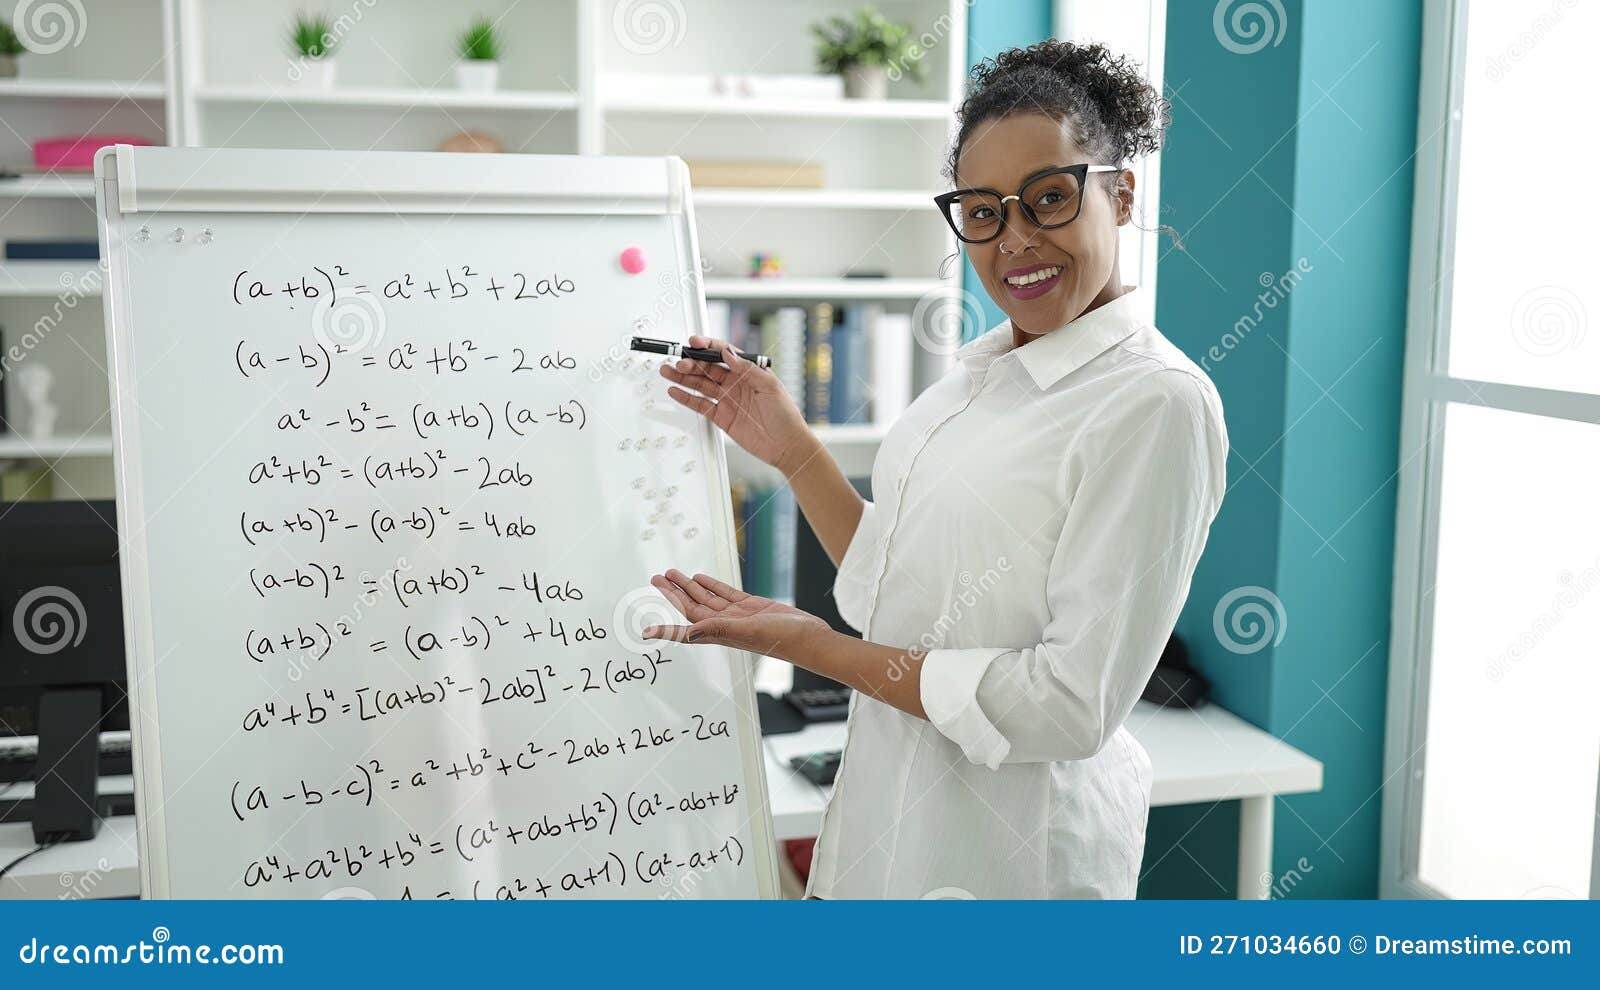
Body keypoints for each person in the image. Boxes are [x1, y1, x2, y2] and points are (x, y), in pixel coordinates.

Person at [642, 40, 1228, 899]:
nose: (1015, 239)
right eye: (984, 211)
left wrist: (819, 650)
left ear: (1122, 192)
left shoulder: (1155, 405)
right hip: (890, 819)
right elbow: (900, 585)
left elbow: (1069, 705)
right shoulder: (976, 376)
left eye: (1050, 198)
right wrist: (796, 449)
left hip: (1015, 855)